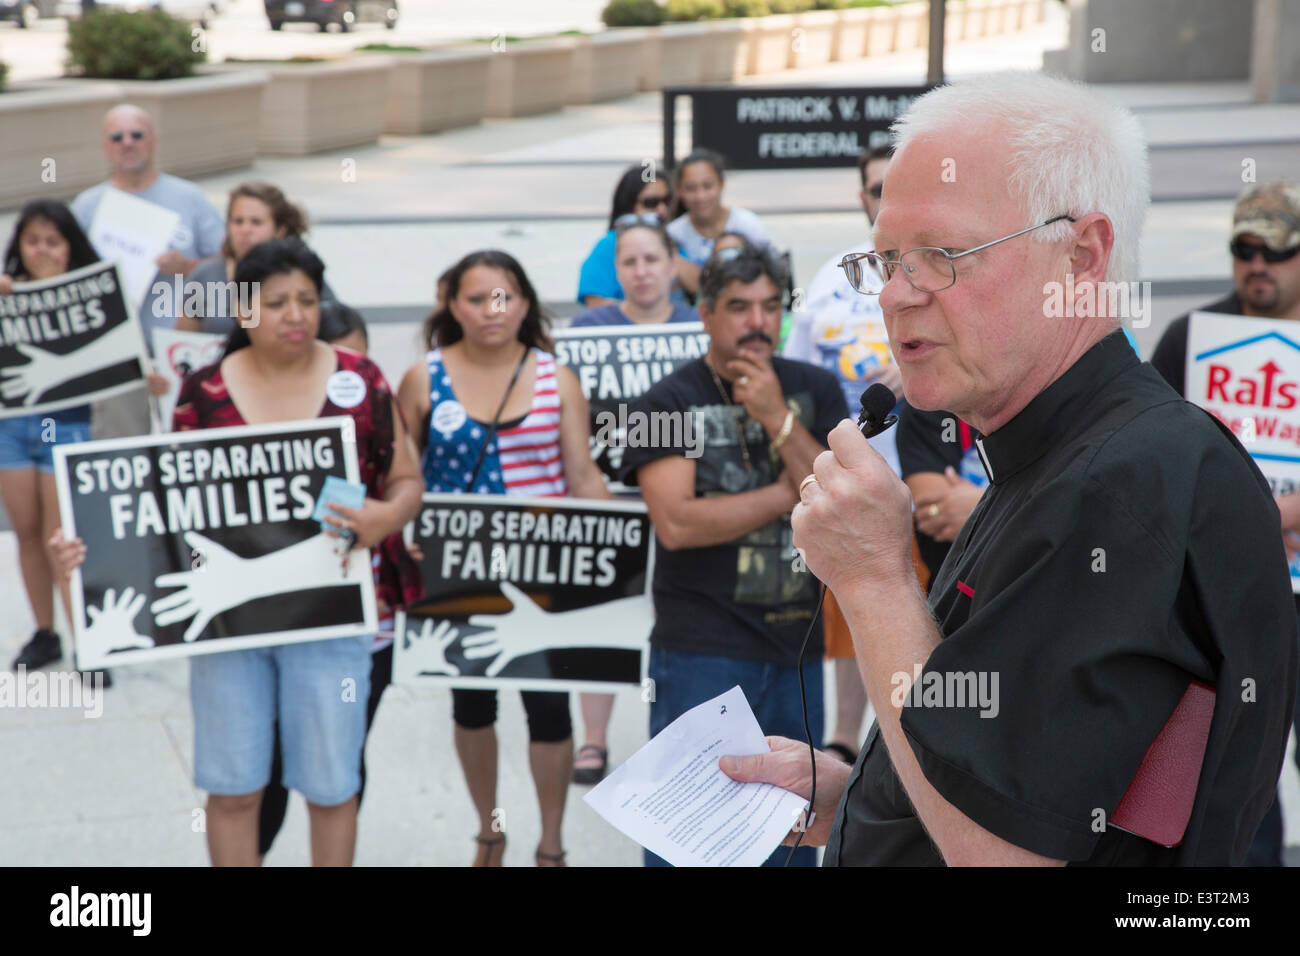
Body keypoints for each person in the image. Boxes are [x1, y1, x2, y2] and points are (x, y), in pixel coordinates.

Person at [721, 71, 1296, 866]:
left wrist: (875, 581)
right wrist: (857, 793)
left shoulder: (1127, 479)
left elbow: (1005, 855)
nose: (894, 294)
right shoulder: (1057, 452)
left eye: (941, 254)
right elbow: (1020, 768)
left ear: (1082, 255)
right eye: (884, 257)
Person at [51, 238, 424, 866]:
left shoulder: (360, 378)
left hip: (328, 621)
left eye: (306, 299)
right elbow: (162, 515)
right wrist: (86, 552)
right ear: (243, 311)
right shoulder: (202, 391)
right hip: (229, 629)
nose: (295, 314)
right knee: (232, 789)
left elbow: (406, 481)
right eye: (276, 302)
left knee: (333, 787)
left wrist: (383, 517)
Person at [619, 244, 848, 867]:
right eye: (739, 306)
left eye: (771, 306)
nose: (757, 322)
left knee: (793, 835)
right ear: (704, 313)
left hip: (796, 651)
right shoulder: (660, 403)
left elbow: (840, 502)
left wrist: (777, 418)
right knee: (690, 838)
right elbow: (677, 524)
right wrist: (786, 491)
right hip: (701, 652)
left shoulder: (817, 388)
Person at [397, 250, 611, 867]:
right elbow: (399, 473)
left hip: (544, 576)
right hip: (456, 574)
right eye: (475, 298)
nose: (492, 311)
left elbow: (582, 476)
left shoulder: (555, 377)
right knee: (471, 705)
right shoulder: (422, 379)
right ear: (452, 306)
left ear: (525, 304)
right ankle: (489, 832)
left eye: (506, 297)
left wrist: (623, 540)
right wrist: (405, 530)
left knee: (548, 708)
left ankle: (550, 843)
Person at [1149, 180, 1300, 867]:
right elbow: (1147, 450)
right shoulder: (1192, 338)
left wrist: (1278, 513)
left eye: (1277, 250)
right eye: (1245, 249)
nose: (1258, 264)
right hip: (1228, 600)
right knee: (1237, 771)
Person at [782, 144, 903, 765]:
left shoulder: (934, 272)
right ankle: (844, 737)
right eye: (875, 189)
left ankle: (901, 743)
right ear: (861, 198)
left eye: (894, 185)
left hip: (924, 488)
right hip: (848, 479)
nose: (884, 198)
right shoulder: (830, 278)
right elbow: (798, 376)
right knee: (847, 611)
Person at [567, 219, 699, 785]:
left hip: (687, 501)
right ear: (616, 271)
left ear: (673, 264)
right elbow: (569, 417)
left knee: (681, 619)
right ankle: (592, 742)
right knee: (603, 616)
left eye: (652, 259)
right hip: (609, 499)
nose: (641, 272)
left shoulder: (701, 328)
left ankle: (685, 732)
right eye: (630, 262)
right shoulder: (585, 329)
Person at [1, 201, 110, 686]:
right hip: (10, 429)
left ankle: (87, 640)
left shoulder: (90, 300)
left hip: (66, 426)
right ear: (19, 248)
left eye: (53, 241)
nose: (42, 251)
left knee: (63, 539)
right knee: (26, 533)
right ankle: (46, 632)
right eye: (33, 241)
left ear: (71, 248)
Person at [70, 104, 225, 438]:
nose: (128, 142)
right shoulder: (86, 206)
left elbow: (230, 264)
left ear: (153, 141)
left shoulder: (190, 198)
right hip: (117, 357)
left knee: (188, 444)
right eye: (117, 136)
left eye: (137, 134)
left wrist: (188, 267)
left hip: (182, 350)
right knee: (125, 450)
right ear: (105, 146)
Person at [175, 182, 332, 336]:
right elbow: (181, 342)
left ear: (280, 230)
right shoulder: (207, 275)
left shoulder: (302, 275)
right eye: (238, 221)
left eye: (256, 222)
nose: (245, 230)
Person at [667, 149, 770, 300]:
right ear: (679, 190)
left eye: (707, 186)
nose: (700, 196)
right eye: (690, 188)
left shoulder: (748, 225)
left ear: (721, 184)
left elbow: (771, 275)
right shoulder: (673, 233)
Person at [577, 163, 674, 308]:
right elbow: (595, 304)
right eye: (651, 203)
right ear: (629, 204)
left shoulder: (675, 240)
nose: (661, 209)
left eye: (666, 201)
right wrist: (643, 313)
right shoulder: (609, 245)